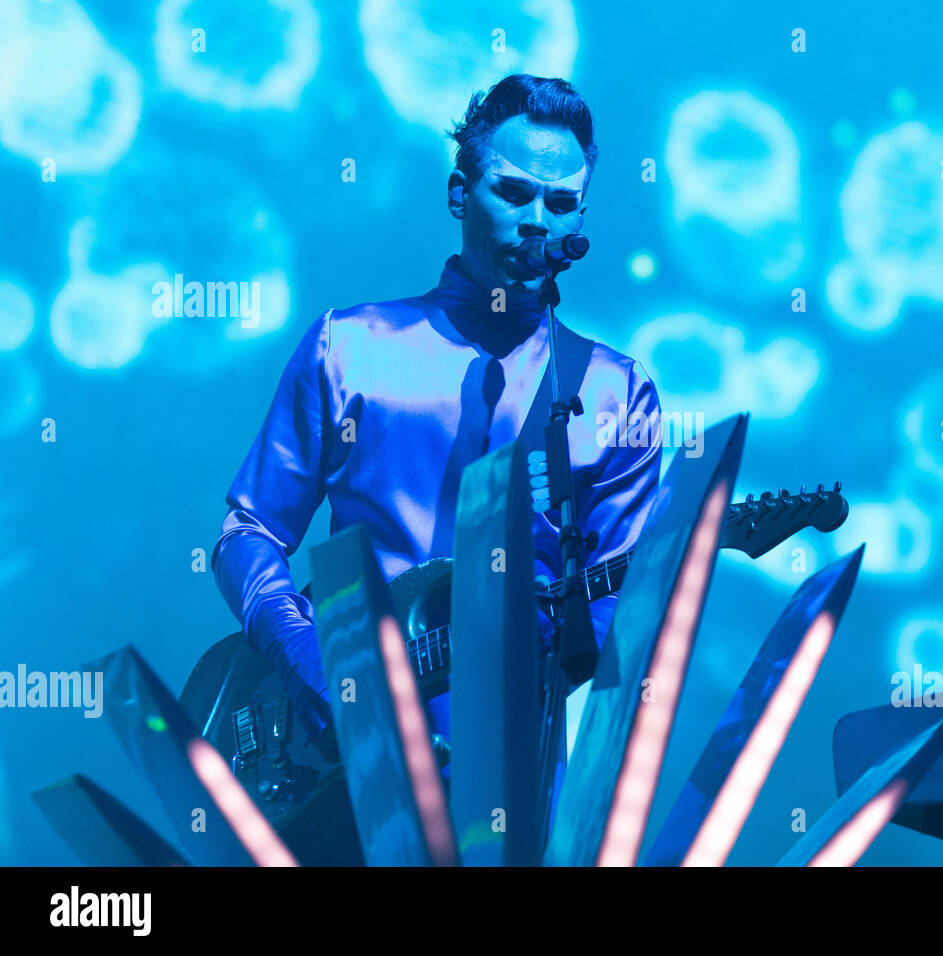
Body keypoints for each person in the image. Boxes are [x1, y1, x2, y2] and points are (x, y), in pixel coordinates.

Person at [212, 74, 664, 784]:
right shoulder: (349, 346)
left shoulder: (614, 393)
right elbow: (248, 536)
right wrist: (303, 660)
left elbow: (619, 613)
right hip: (336, 773)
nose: (538, 219)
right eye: (513, 193)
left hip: (507, 778)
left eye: (562, 202)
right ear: (460, 194)